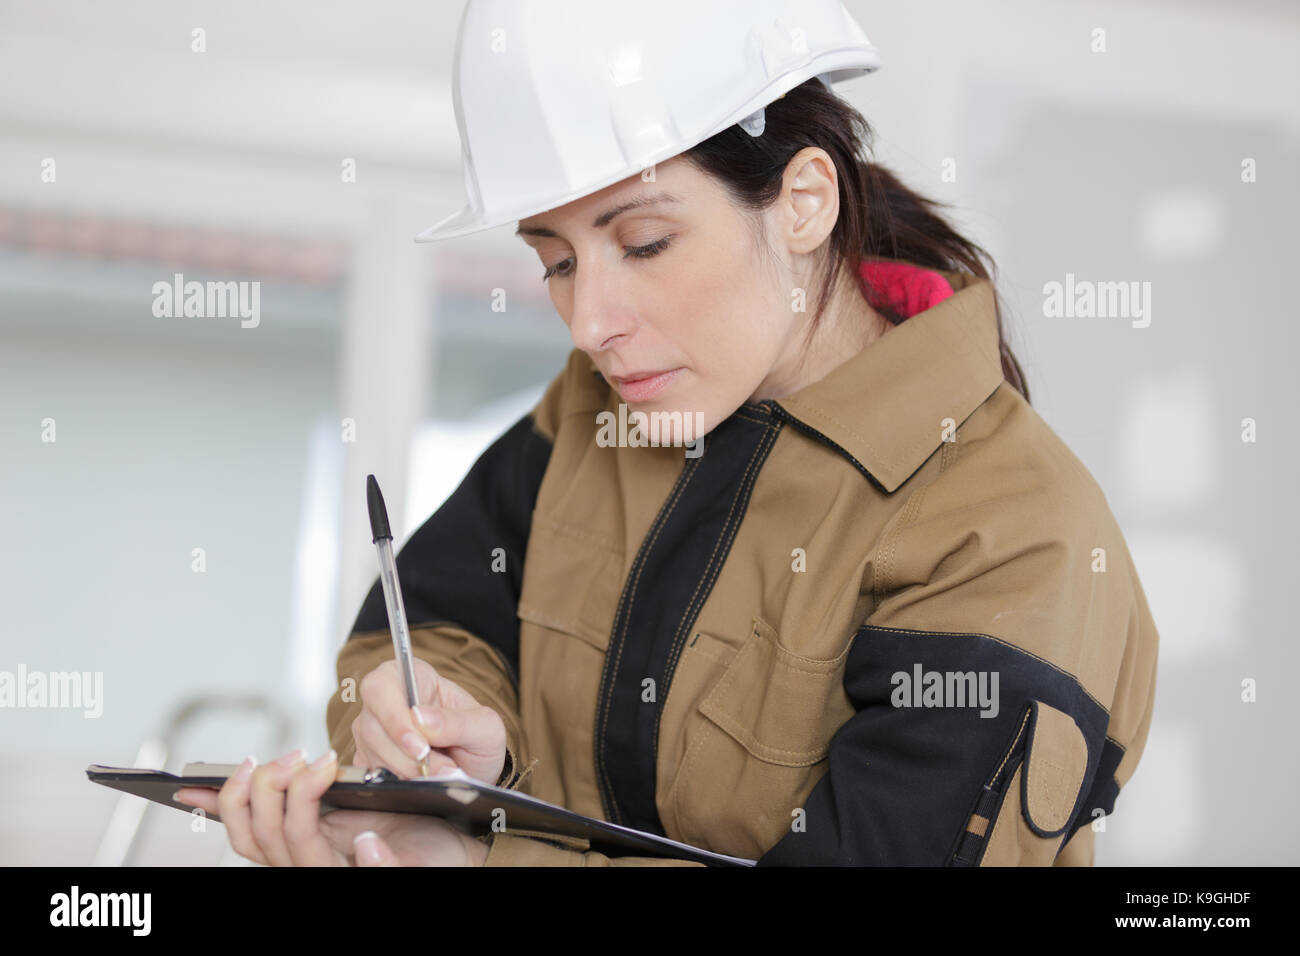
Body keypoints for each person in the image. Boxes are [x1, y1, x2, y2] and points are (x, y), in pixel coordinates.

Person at [177, 0, 1158, 866]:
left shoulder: (1012, 531)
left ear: (802, 202)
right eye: (557, 259)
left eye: (642, 242)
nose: (588, 321)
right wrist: (432, 734)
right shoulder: (594, 412)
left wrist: (482, 860)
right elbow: (426, 626)